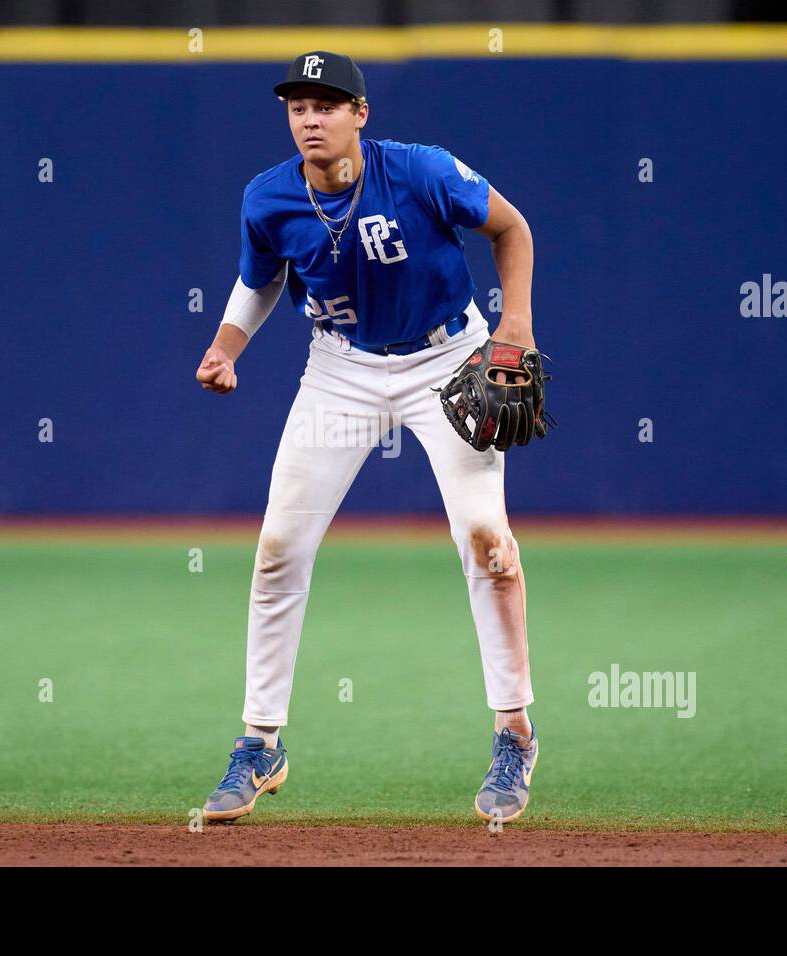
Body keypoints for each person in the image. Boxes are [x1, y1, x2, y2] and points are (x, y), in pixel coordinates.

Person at [194, 50, 539, 824]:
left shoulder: (421, 171)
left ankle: (514, 732)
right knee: (279, 545)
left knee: (487, 540)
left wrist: (512, 331)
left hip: (449, 359)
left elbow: (511, 229)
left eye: (326, 103)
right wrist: (226, 345)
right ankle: (259, 743)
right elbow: (262, 278)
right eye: (297, 106)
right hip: (341, 369)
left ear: (360, 114)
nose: (310, 117)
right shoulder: (269, 196)